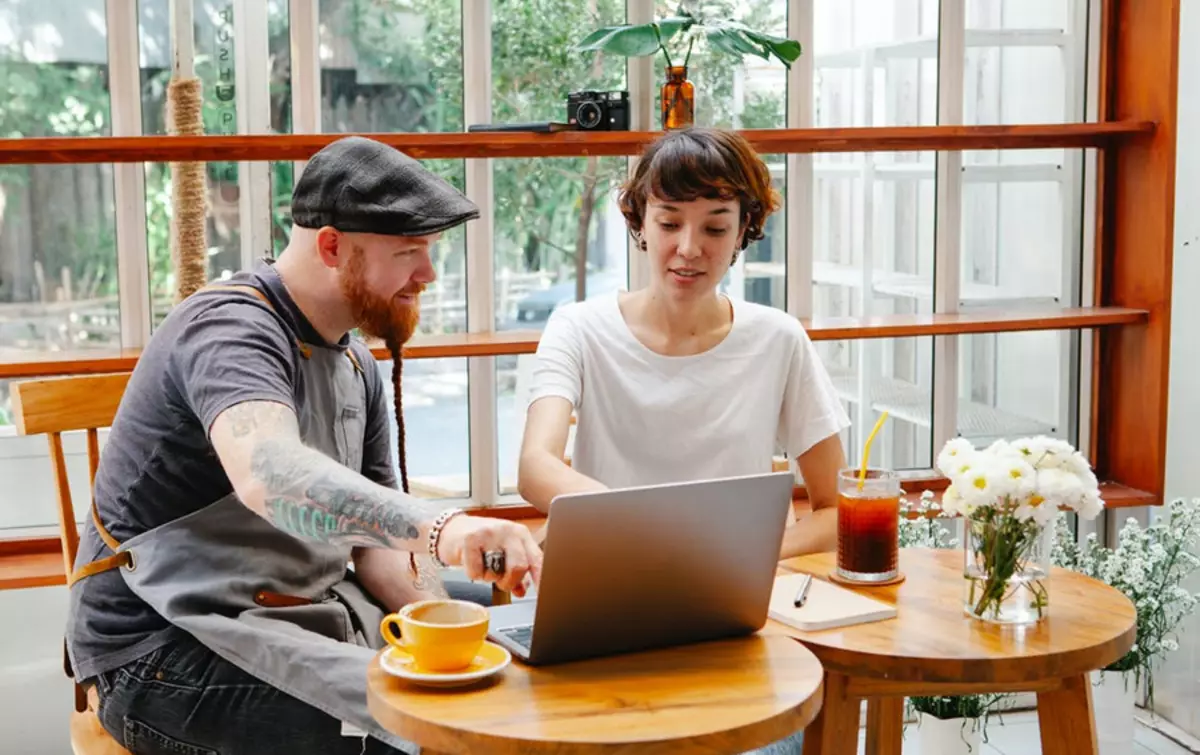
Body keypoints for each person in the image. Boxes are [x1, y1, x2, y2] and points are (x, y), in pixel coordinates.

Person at [67, 136, 542, 755]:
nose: (428, 274)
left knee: (525, 650)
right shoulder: (229, 330)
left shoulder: (357, 361)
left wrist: (439, 629)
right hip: (162, 649)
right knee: (423, 733)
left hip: (295, 609)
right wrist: (443, 527)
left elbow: (377, 554)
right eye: (409, 252)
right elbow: (272, 476)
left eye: (429, 251)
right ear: (331, 246)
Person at [517, 127, 852, 754]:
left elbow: (838, 510)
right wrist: (653, 533)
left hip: (733, 625)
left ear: (745, 230)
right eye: (669, 222)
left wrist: (735, 561)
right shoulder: (579, 328)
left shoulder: (778, 339)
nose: (688, 249)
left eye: (715, 228)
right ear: (639, 219)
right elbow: (537, 467)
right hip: (607, 609)